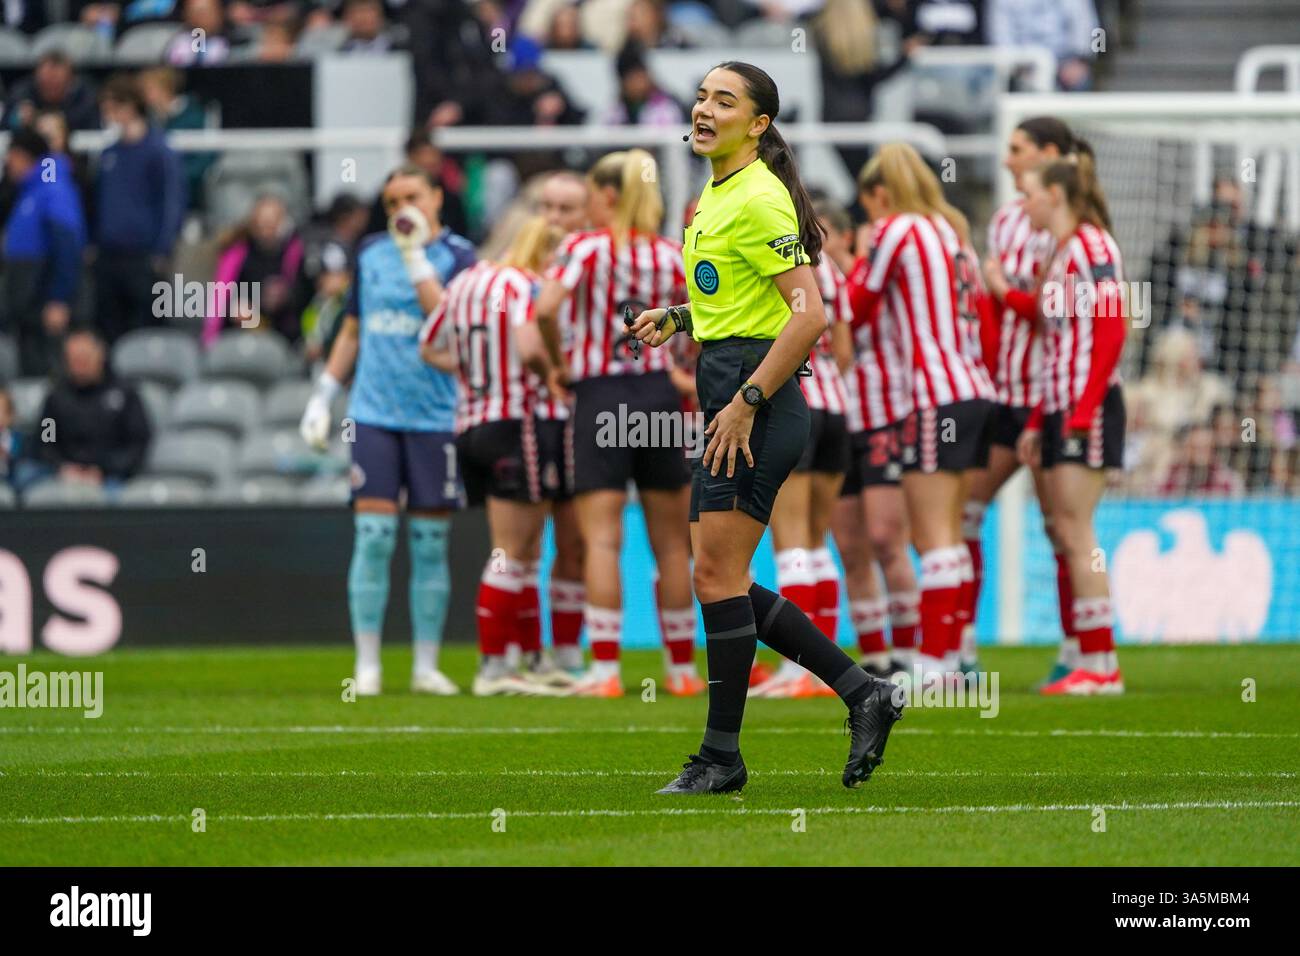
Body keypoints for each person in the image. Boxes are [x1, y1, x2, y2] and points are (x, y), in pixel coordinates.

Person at [628, 61, 904, 795]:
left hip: (758, 399)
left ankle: (722, 756)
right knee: (719, 577)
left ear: (757, 125)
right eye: (699, 96)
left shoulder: (757, 198)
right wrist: (681, 318)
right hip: (731, 385)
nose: (703, 109)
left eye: (724, 100)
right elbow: (742, 300)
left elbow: (810, 314)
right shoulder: (714, 196)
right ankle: (863, 692)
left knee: (714, 575)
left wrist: (748, 398)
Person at [531, 149, 704, 698]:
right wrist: (681, 368)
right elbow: (702, 319)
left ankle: (605, 671)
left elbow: (543, 309)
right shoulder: (668, 253)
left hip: (599, 395)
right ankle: (681, 671)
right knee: (672, 545)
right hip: (656, 396)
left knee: (602, 541)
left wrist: (560, 365)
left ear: (605, 196)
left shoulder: (583, 247)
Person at [299, 164, 476, 696]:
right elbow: (353, 328)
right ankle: (369, 662)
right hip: (373, 413)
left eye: (412, 197)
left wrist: (416, 258)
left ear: (437, 197)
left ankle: (425, 665)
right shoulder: (371, 252)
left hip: (436, 416)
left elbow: (450, 323)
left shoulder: (460, 257)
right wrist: (324, 394)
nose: (402, 209)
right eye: (392, 200)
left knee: (428, 541)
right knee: (374, 537)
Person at [844, 143, 995, 684]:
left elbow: (857, 305)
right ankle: (950, 661)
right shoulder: (953, 233)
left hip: (933, 395)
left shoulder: (894, 231)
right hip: (975, 389)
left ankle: (932, 666)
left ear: (879, 195)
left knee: (931, 540)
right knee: (949, 538)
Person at [419, 216, 576, 695]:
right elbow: (530, 346)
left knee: (521, 550)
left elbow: (430, 347)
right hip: (517, 422)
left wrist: (471, 371)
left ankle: (530, 657)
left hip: (470, 425)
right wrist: (556, 377)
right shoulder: (526, 285)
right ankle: (493, 666)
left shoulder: (465, 282)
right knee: (515, 549)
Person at [1015, 150, 1127, 695]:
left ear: (1055, 195)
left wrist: (1083, 411)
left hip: (1089, 406)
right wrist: (1039, 417)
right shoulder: (1061, 254)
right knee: (1064, 528)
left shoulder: (1092, 245)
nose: (1024, 202)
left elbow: (1112, 327)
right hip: (1060, 405)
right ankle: (1089, 657)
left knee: (1079, 532)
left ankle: (1102, 666)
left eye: (1031, 192)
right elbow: (1055, 347)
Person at [975, 115, 1071, 687]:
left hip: (1047, 397)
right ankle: (956, 654)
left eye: (1018, 149)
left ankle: (1083, 651)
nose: (1007, 159)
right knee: (961, 515)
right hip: (1002, 397)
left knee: (1063, 527)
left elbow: (1049, 311)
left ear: (1049, 154)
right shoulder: (1007, 220)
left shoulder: (1066, 228)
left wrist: (1002, 289)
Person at [748, 200, 855, 699]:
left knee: (790, 541)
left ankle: (800, 671)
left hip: (800, 402)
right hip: (839, 405)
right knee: (816, 541)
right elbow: (847, 347)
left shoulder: (780, 259)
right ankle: (820, 666)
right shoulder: (829, 265)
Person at [821, 199, 920, 680]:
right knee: (851, 546)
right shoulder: (807, 284)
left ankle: (910, 652)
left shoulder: (869, 279)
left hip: (884, 416)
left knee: (887, 538)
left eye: (823, 233)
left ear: (844, 235)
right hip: (839, 421)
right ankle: (876, 655)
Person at [93, 74, 185, 344]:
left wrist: (162, 249)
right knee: (109, 329)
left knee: (146, 328)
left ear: (130, 106)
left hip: (143, 256)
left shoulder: (159, 151)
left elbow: (172, 202)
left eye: (111, 107)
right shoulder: (109, 153)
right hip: (109, 256)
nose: (107, 114)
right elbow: (99, 202)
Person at [1, 127, 87, 377]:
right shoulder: (31, 190)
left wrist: (59, 298)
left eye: (13, 155)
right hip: (27, 306)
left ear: (26, 156)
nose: (8, 163)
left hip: (44, 303)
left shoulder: (53, 189)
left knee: (49, 370)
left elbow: (67, 244)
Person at [29, 327, 151, 493]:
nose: (79, 365)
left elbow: (137, 443)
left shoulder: (125, 394)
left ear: (100, 355)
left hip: (111, 477)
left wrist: (104, 470)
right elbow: (45, 442)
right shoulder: (56, 397)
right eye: (74, 360)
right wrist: (62, 467)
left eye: (84, 359)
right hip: (63, 474)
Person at [202, 194, 307, 346]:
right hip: (238, 333)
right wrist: (237, 310)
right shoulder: (237, 254)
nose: (266, 230)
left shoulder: (296, 252)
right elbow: (219, 299)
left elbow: (304, 297)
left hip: (282, 337)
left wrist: (285, 295)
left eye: (272, 224)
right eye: (262, 224)